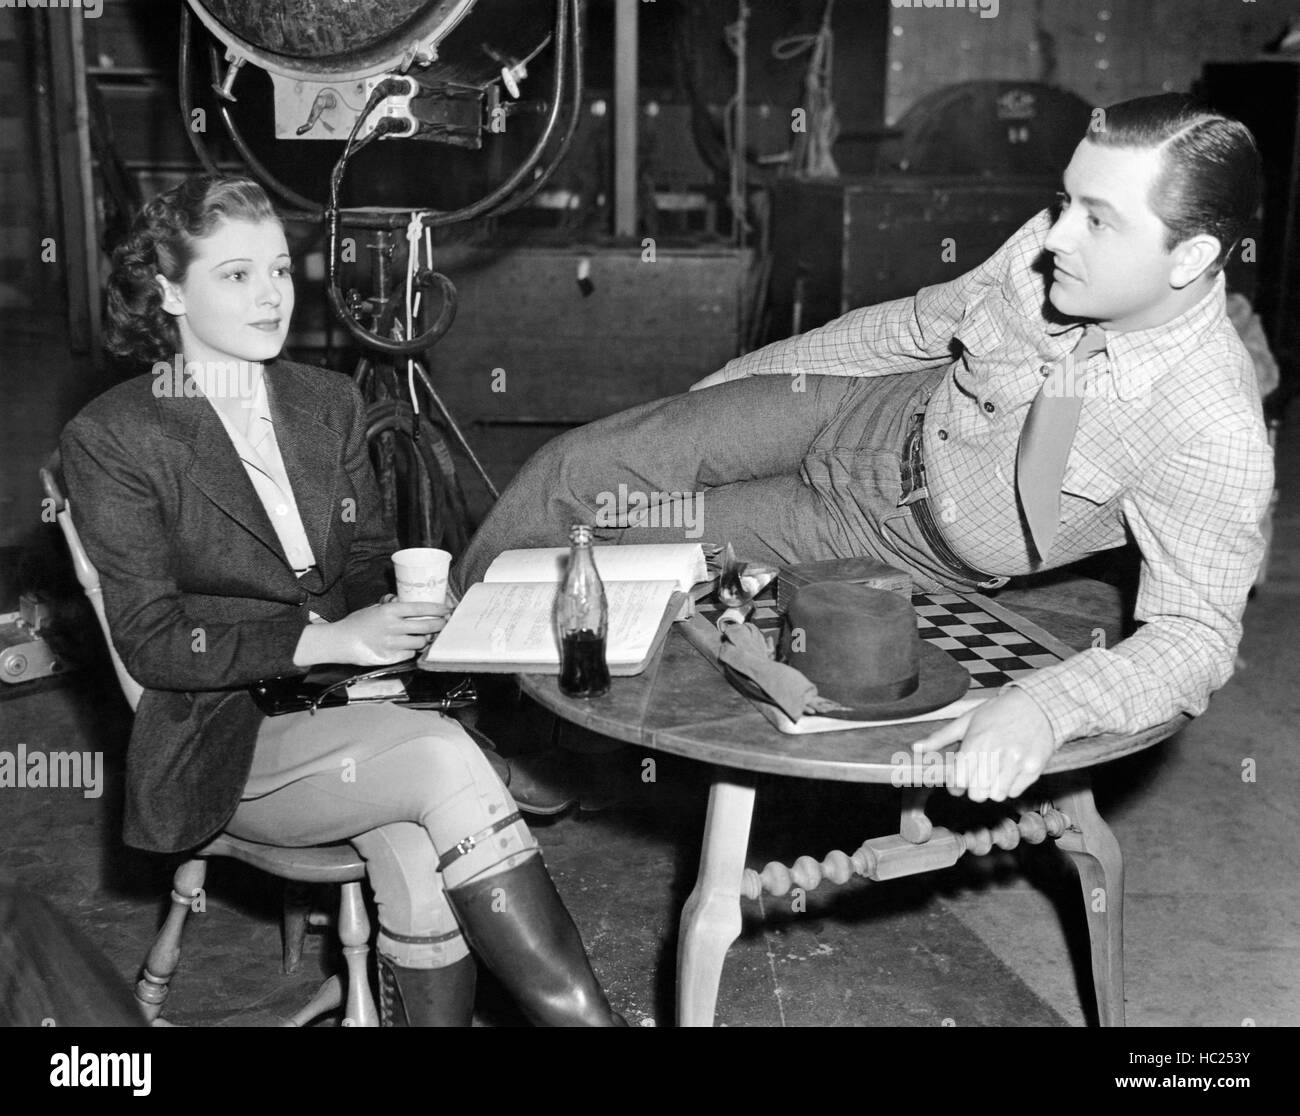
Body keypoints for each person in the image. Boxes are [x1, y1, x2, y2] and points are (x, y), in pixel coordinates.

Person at [451, 93, 1274, 804]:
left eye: (1098, 220)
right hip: (862, 410)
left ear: (1192, 256)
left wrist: (1050, 704)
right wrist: (737, 384)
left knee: (626, 555)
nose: (1056, 236)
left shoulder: (1211, 426)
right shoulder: (1059, 251)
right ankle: (457, 696)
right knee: (577, 471)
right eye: (1065, 201)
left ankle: (559, 759)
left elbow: (1197, 635)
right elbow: (919, 326)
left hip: (885, 541)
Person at [60, 175, 624, 1027]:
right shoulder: (115, 437)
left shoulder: (325, 401)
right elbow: (154, 642)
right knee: (443, 762)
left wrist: (416, 619)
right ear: (171, 292)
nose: (271, 295)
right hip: (221, 730)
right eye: (236, 275)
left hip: (353, 708)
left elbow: (363, 567)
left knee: (420, 855)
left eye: (280, 269)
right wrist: (330, 643)